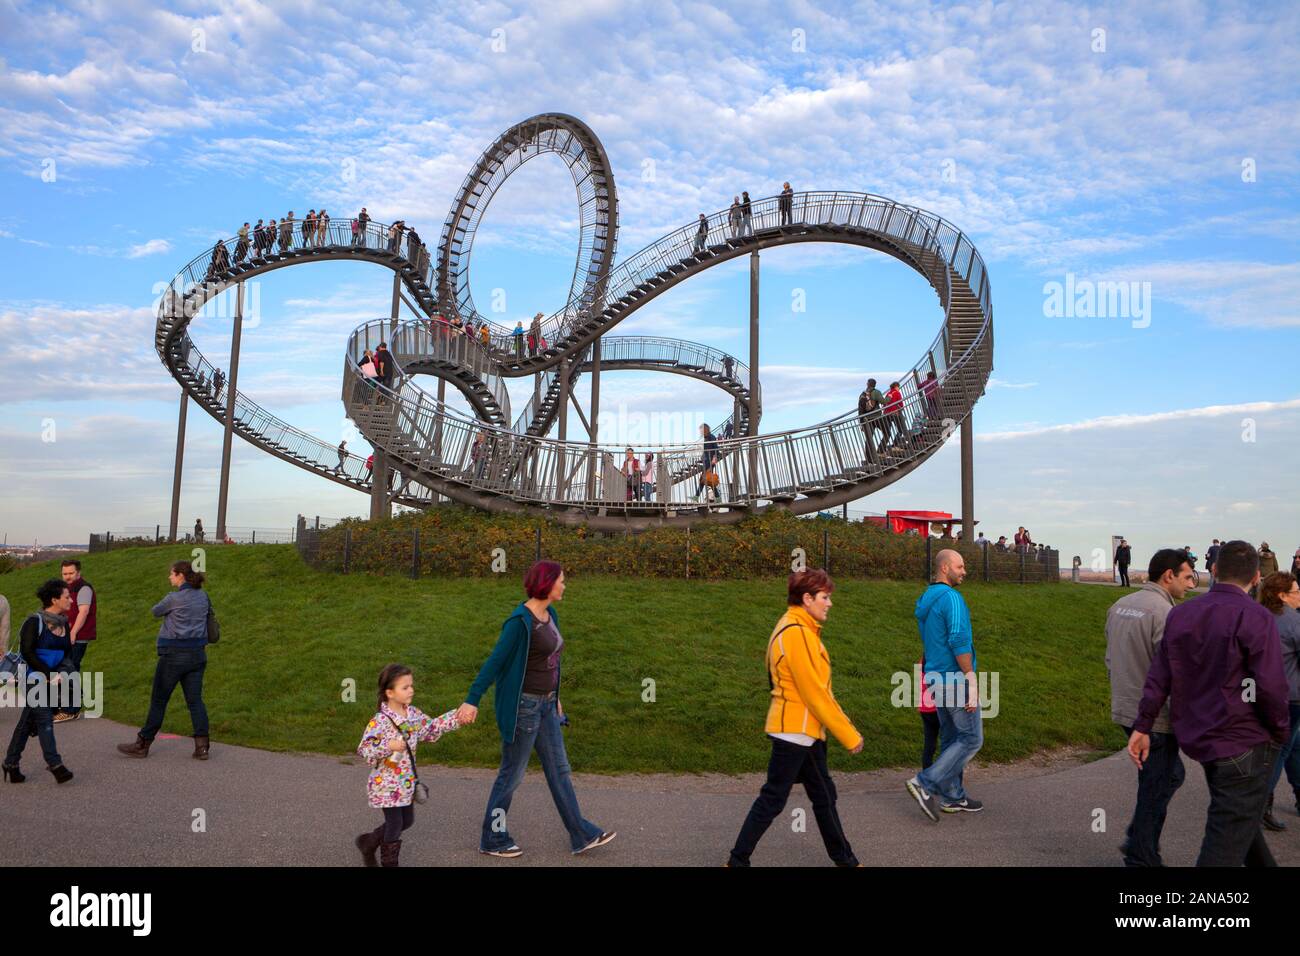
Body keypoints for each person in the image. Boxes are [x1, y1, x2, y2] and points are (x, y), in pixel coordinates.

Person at [1128, 540, 1290, 866]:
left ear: (1214, 570)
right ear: (1257, 577)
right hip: (1243, 741)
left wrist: (1143, 725)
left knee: (1238, 820)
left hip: (1202, 740)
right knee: (1225, 839)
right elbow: (1271, 687)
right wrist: (1280, 731)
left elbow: (1160, 676)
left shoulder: (1182, 614)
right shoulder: (1256, 617)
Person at [456, 561, 615, 858]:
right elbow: (494, 663)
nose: (565, 586)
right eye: (562, 581)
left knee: (559, 771)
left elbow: (551, 660)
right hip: (524, 709)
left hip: (545, 705)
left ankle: (580, 834)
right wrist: (471, 700)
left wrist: (555, 696)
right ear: (548, 584)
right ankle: (492, 838)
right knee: (511, 775)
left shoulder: (550, 614)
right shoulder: (520, 623)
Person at [727, 569, 863, 866]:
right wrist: (849, 735)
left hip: (801, 731)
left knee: (823, 797)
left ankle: (845, 859)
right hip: (797, 732)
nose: (829, 603)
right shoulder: (797, 634)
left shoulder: (792, 627)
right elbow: (815, 693)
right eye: (825, 597)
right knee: (775, 799)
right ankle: (737, 861)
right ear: (807, 598)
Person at [1106, 548, 1195, 866]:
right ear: (1168, 575)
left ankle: (1138, 839)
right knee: (1157, 783)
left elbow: (1109, 659)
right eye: (1187, 577)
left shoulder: (1120, 605)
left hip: (1125, 707)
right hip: (1153, 718)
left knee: (1165, 777)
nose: (1191, 584)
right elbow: (1174, 673)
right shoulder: (1167, 614)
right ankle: (1141, 854)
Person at [354, 663, 462, 867]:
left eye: (411, 685)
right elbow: (364, 749)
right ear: (390, 692)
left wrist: (458, 717)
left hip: (405, 782)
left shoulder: (412, 714)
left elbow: (431, 728)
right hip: (386, 784)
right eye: (405, 687)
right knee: (395, 824)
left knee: (407, 822)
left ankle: (369, 842)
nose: (411, 690)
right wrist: (388, 745)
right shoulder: (380, 721)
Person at [905, 549, 984, 819]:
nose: (964, 571)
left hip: (935, 679)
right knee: (972, 738)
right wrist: (971, 679)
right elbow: (958, 640)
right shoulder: (952, 598)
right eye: (960, 566)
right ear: (945, 568)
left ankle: (952, 797)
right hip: (955, 678)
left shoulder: (927, 597)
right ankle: (923, 783)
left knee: (951, 739)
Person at [117, 561, 214, 761]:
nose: (169, 577)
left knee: (159, 700)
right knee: (195, 701)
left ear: (180, 576)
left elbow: (155, 611)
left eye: (171, 574)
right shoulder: (203, 596)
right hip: (198, 655)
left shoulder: (174, 598)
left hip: (173, 655)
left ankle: (142, 743)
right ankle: (202, 746)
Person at [2, 579, 75, 784]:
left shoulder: (64, 624)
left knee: (27, 722)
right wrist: (47, 673)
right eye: (66, 597)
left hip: (53, 681)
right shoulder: (34, 622)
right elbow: (27, 652)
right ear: (54, 599)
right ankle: (55, 764)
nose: (70, 600)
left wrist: (63, 674)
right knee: (44, 718)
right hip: (33, 677)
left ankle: (11, 763)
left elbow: (66, 654)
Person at [1257, 573, 1300, 831]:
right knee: (1281, 750)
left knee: (1293, 746)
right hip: (1291, 696)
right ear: (1282, 595)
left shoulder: (1259, 617)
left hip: (1263, 694)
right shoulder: (1293, 621)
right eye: (1296, 591)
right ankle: (1260, 805)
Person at [54, 559, 96, 721]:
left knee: (69, 671)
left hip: (77, 637)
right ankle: (66, 706)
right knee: (66, 671)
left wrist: (73, 633)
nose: (68, 576)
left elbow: (83, 612)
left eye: (71, 573)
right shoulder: (66, 589)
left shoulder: (83, 588)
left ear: (78, 572)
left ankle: (71, 710)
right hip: (66, 636)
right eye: (65, 573)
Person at [857, 378, 885, 460]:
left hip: (866, 419)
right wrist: (889, 397)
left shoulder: (862, 395)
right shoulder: (876, 392)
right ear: (875, 385)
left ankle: (869, 459)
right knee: (887, 432)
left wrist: (861, 422)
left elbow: (860, 410)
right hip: (877, 417)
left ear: (867, 384)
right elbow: (883, 402)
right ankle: (880, 450)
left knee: (869, 438)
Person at [697, 423, 719, 502]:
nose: (700, 432)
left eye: (701, 430)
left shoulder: (711, 437)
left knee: (703, 480)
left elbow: (716, 449)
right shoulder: (705, 438)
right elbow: (706, 450)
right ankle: (719, 498)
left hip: (710, 462)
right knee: (707, 481)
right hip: (706, 461)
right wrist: (703, 455)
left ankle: (696, 497)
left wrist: (713, 461)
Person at [883, 381, 906, 449]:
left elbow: (885, 403)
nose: (899, 388)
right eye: (898, 387)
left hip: (886, 414)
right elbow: (900, 404)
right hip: (895, 414)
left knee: (887, 433)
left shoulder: (888, 393)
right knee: (901, 429)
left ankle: (882, 447)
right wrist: (901, 409)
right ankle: (895, 445)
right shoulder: (897, 393)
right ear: (896, 386)